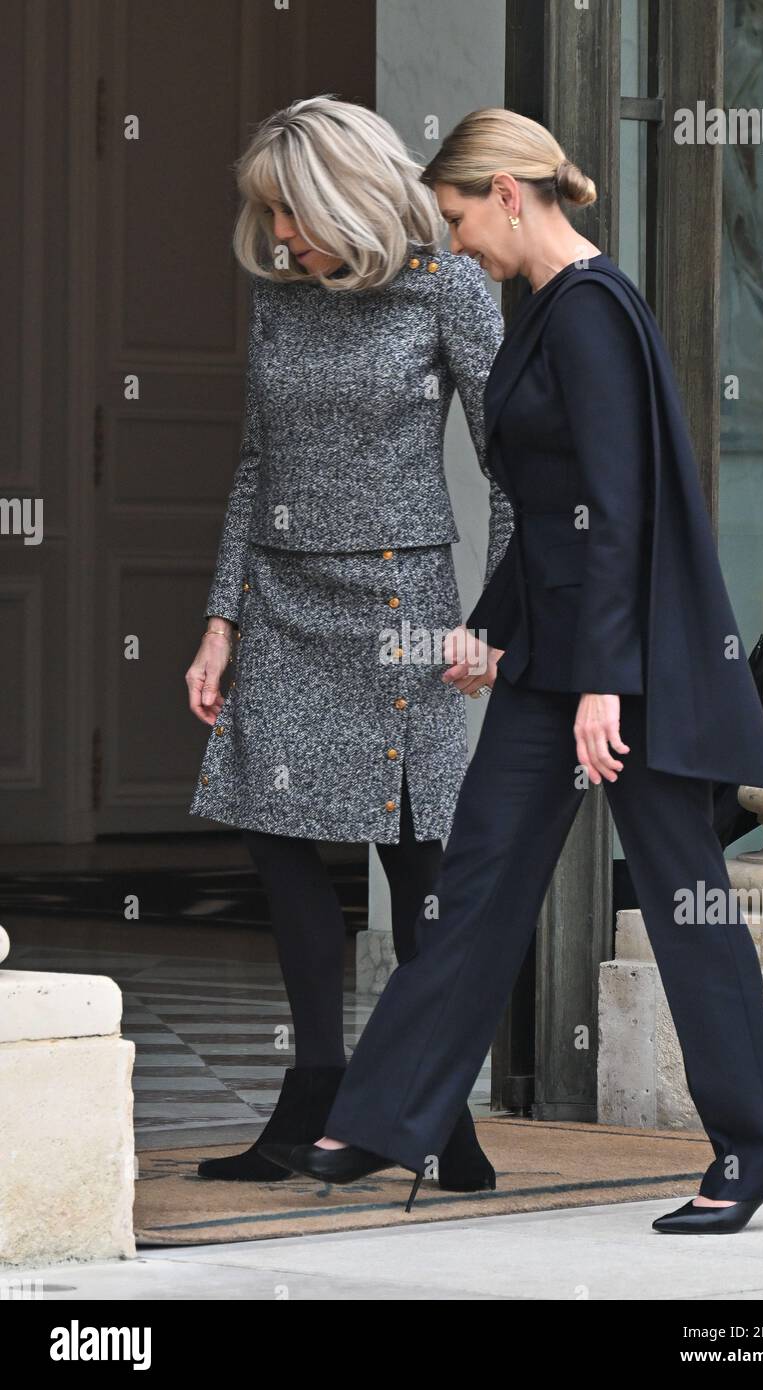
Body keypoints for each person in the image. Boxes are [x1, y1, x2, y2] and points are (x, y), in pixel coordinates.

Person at [267, 107, 763, 1235]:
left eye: (460, 216)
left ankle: (753, 1153)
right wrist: (488, 627)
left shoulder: (593, 313)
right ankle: (384, 1118)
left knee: (686, 903)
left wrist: (606, 683)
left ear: (508, 193)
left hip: (629, 669)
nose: (456, 242)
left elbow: (616, 511)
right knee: (478, 883)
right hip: (558, 658)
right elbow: (550, 518)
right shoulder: (547, 310)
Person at [185, 96, 511, 1192]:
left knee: (417, 866)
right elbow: (251, 463)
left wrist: (492, 623)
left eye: (292, 214)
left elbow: (517, 465)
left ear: (347, 197)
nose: (280, 238)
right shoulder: (280, 298)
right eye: (270, 218)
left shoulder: (447, 286)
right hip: (281, 602)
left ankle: (441, 1117)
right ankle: (314, 1085)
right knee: (276, 844)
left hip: (397, 608)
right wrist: (218, 624)